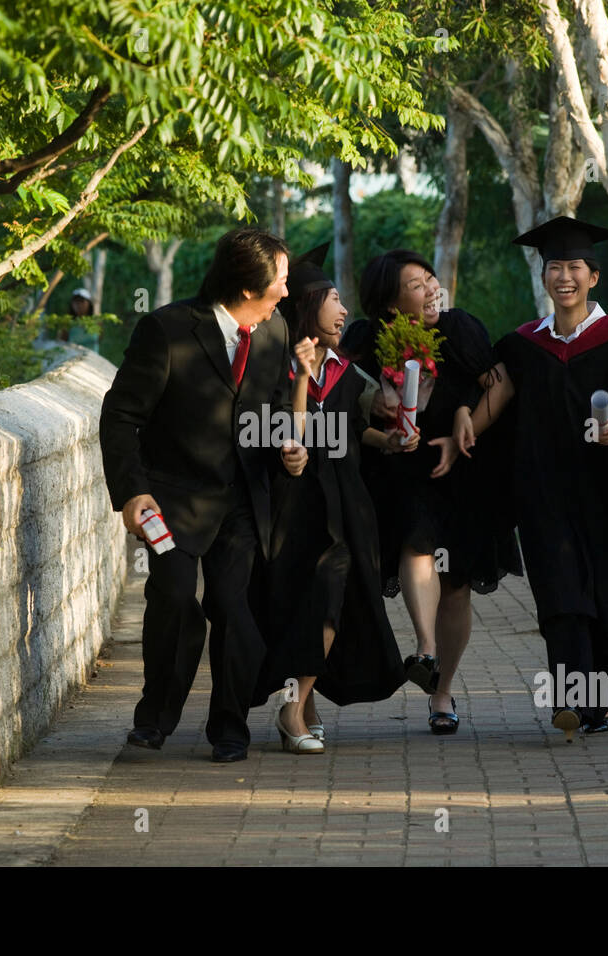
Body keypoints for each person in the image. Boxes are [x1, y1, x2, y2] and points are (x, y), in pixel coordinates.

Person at [98, 228, 307, 763]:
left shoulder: (275, 330)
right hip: (170, 501)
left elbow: (276, 406)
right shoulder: (167, 330)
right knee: (171, 596)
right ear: (245, 287)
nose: (287, 291)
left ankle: (230, 727)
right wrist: (131, 492)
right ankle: (155, 717)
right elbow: (121, 416)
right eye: (280, 282)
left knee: (234, 608)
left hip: (241, 502)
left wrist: (288, 444)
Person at [492, 216, 608, 741]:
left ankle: (597, 703)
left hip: (604, 492)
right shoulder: (525, 345)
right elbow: (494, 398)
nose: (564, 276)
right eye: (555, 267)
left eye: (575, 267)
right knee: (562, 596)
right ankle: (572, 702)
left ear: (593, 276)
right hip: (544, 492)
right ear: (544, 276)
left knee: (600, 598)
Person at [339, 250, 520, 735]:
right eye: (416, 285)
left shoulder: (460, 329)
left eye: (430, 277)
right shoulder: (366, 337)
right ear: (393, 305)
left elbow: (498, 388)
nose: (431, 287)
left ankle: (442, 692)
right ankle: (425, 648)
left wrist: (465, 429)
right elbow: (337, 391)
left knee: (457, 586)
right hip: (399, 468)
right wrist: (375, 402)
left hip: (458, 471)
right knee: (417, 545)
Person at [250, 244, 410, 754]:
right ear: (308, 303)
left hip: (346, 505)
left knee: (334, 601)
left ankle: (299, 706)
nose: (344, 311)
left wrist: (387, 441)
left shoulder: (343, 369)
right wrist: (300, 378)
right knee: (311, 601)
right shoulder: (275, 363)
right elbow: (289, 431)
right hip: (296, 506)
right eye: (334, 299)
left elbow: (349, 430)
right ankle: (296, 706)